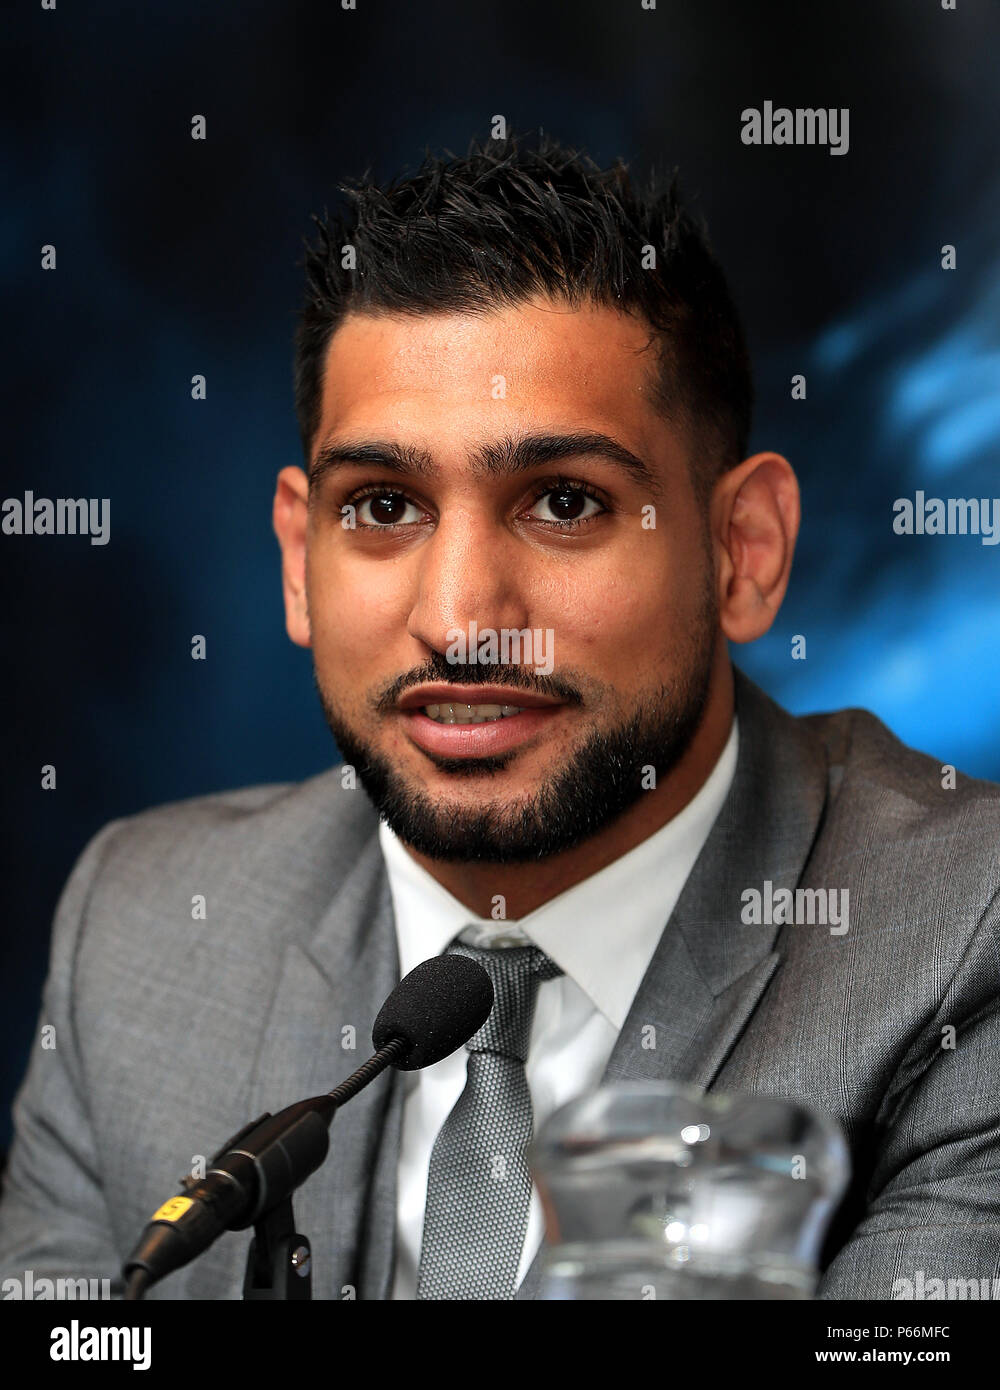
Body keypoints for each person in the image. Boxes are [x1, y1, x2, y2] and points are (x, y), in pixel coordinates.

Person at [2, 134, 998, 1301]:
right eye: (382, 505)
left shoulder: (964, 943)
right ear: (295, 559)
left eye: (564, 502)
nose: (463, 615)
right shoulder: (138, 930)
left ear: (744, 550)